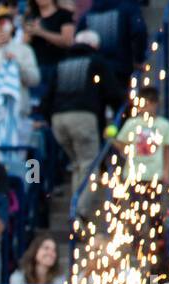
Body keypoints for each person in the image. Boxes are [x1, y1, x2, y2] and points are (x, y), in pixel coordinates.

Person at [43, 31, 119, 200]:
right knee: (89, 164)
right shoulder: (97, 62)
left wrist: (50, 119)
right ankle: (79, 213)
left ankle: (75, 206)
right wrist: (122, 117)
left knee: (78, 164)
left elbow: (47, 97)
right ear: (95, 46)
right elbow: (113, 93)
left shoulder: (61, 63)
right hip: (83, 117)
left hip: (58, 119)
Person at [0, 5, 41, 144]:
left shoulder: (24, 50)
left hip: (18, 115)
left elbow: (34, 79)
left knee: (19, 161)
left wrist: (17, 65)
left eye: (6, 22)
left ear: (12, 26)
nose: (2, 26)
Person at [115, 86, 169, 190]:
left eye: (147, 105)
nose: (144, 108)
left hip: (155, 174)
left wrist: (166, 172)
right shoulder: (131, 123)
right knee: (135, 203)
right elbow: (122, 144)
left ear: (155, 104)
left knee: (154, 204)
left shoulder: (164, 125)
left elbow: (167, 150)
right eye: (141, 105)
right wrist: (111, 139)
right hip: (134, 173)